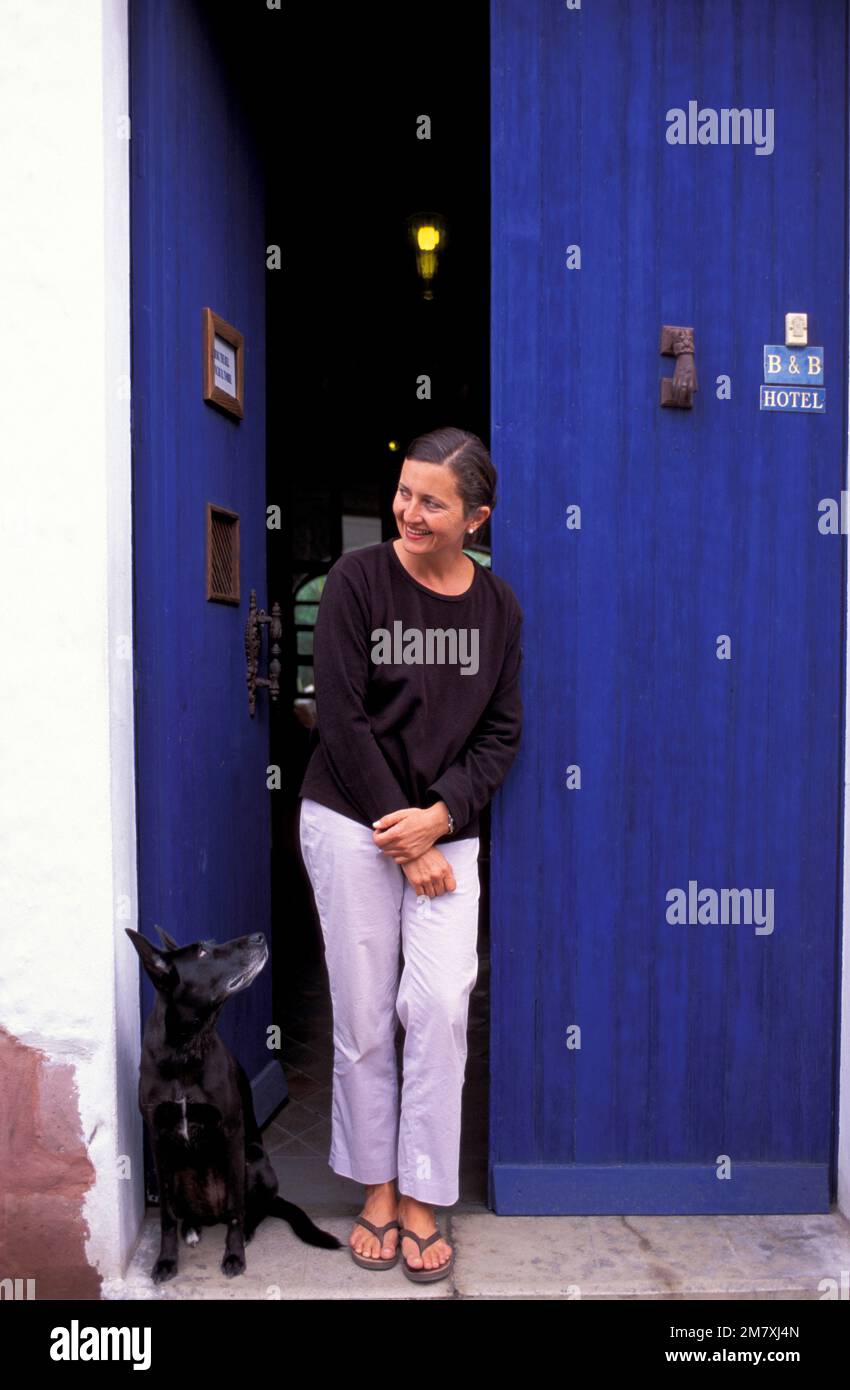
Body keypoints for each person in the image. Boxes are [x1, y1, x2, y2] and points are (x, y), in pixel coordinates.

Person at [297, 425, 524, 1282]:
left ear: (477, 517)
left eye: (433, 500)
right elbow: (343, 719)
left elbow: (502, 734)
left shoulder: (498, 609)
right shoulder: (357, 581)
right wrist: (402, 827)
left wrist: (439, 818)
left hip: (443, 832)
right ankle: (381, 1189)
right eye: (404, 492)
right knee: (362, 1016)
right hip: (353, 820)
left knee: (437, 1006)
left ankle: (428, 1191)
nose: (410, 511)